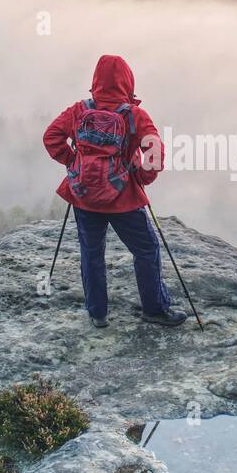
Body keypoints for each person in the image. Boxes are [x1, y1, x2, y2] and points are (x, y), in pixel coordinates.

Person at [43, 55, 186, 329]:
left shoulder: (79, 111)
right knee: (146, 249)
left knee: (91, 253)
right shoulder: (133, 116)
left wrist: (73, 162)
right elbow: (155, 152)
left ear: (95, 81)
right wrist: (142, 176)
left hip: (84, 196)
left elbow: (51, 137)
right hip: (124, 199)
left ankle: (97, 314)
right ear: (127, 81)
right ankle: (154, 309)